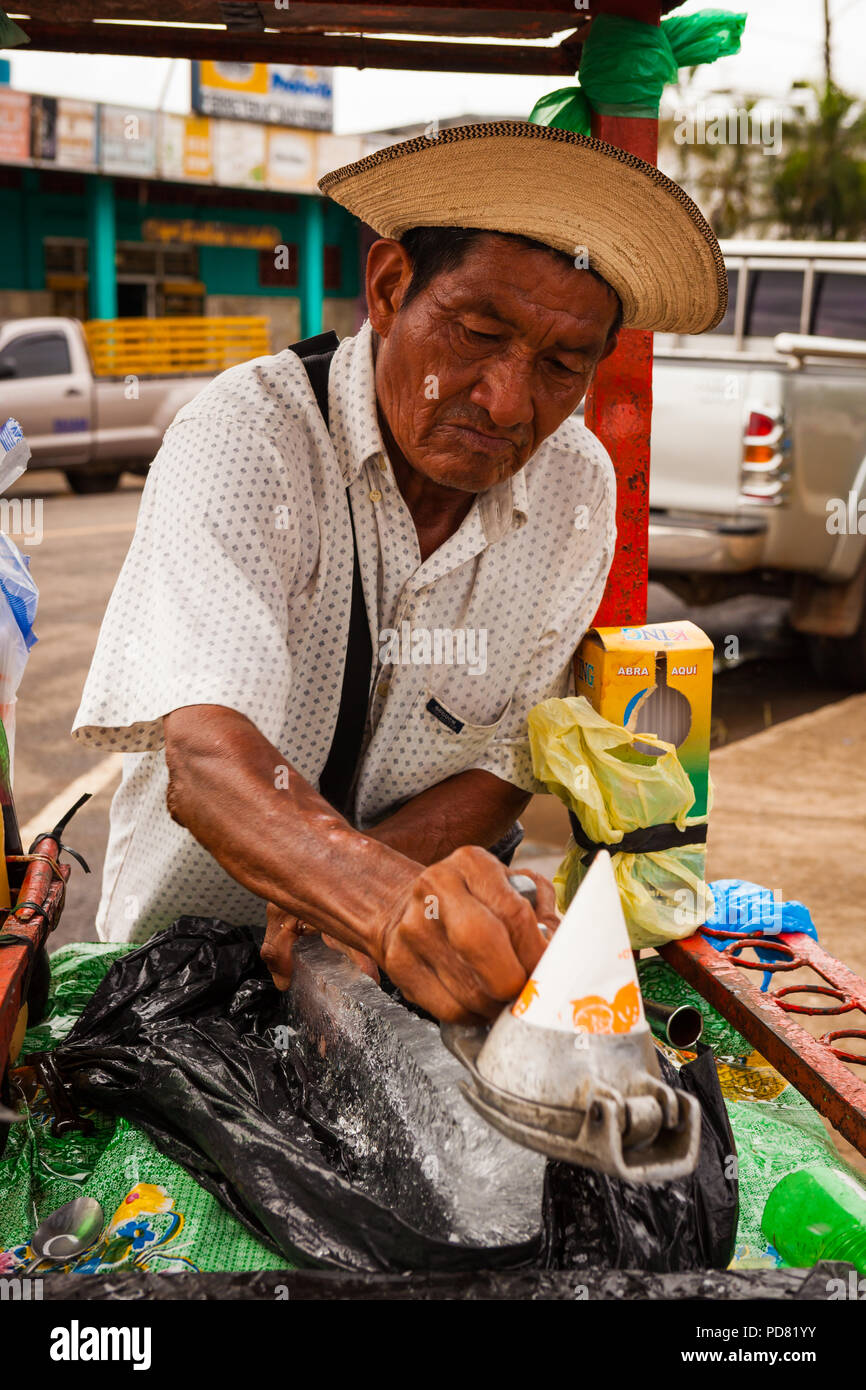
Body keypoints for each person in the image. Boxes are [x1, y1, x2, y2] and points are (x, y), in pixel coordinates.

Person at [73, 121, 725, 1022]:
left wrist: (352, 912)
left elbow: (507, 759)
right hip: (178, 985)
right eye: (476, 333)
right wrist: (375, 899)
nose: (506, 400)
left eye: (561, 366)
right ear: (388, 288)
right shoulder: (246, 437)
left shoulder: (578, 487)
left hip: (400, 981)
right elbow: (205, 756)